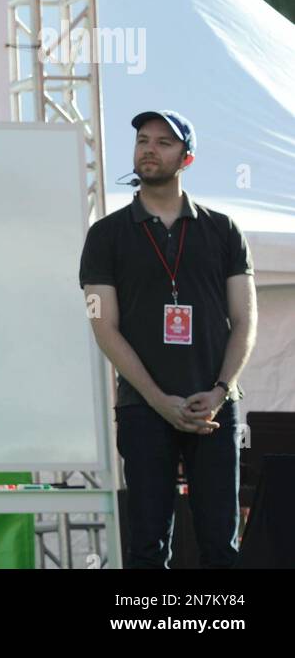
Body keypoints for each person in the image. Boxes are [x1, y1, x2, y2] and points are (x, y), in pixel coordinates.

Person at [80, 110, 256, 568]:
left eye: (163, 142)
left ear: (187, 157)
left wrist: (219, 391)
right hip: (143, 407)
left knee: (221, 542)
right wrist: (157, 399)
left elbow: (245, 320)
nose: (148, 149)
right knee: (148, 545)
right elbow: (103, 326)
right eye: (142, 139)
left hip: (213, 404)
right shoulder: (105, 235)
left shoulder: (224, 230)